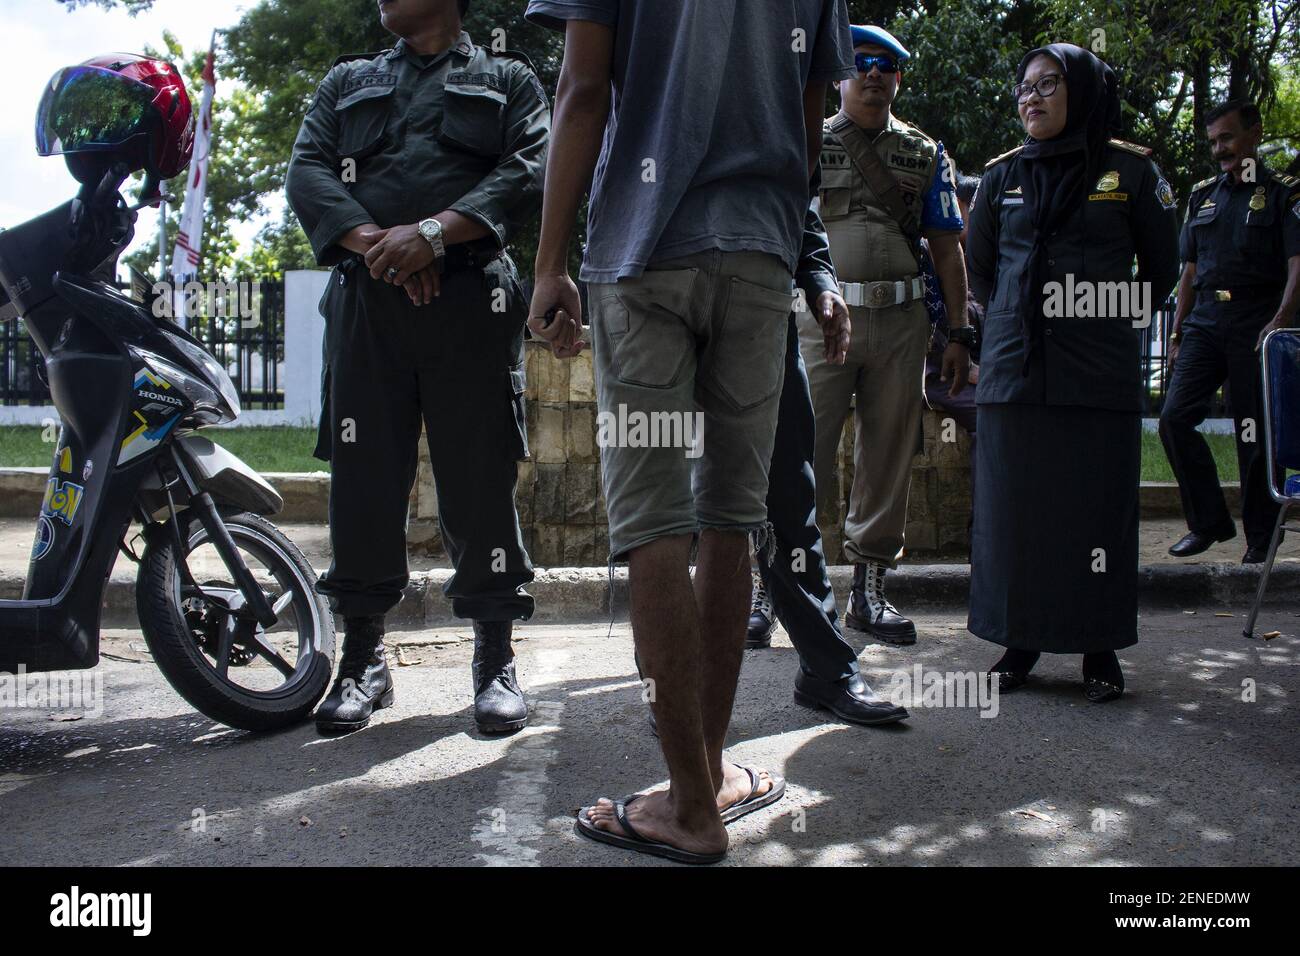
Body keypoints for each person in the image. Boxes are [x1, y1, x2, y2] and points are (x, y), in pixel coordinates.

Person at [524, 0, 855, 864]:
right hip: (758, 253)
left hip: (644, 249)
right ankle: (703, 775)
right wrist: (793, 247)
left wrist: (550, 263)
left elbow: (584, 87)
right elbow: (808, 111)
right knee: (731, 517)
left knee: (654, 525)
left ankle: (695, 810)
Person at [285, 0, 550, 735]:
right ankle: (364, 660)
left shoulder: (507, 78)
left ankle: (494, 658)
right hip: (368, 304)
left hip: (472, 300)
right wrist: (385, 246)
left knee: (478, 479)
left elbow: (531, 166)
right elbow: (307, 171)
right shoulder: (346, 82)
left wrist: (434, 235)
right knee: (364, 478)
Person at [965, 43, 1180, 702]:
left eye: (1049, 84)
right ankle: (1019, 639)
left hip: (1097, 373)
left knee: (1094, 513)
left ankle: (1099, 647)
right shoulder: (1002, 178)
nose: (1031, 97)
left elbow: (1162, 272)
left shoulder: (1131, 171)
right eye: (1024, 86)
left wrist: (1090, 310)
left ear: (1082, 90)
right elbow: (983, 268)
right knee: (1017, 513)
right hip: (1015, 371)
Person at [801, 24, 972, 647]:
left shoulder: (925, 153)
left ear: (899, 78)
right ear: (842, 73)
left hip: (901, 323)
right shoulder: (808, 142)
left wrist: (959, 331)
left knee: (888, 457)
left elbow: (948, 248)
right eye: (862, 63)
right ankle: (773, 590)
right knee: (795, 455)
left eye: (887, 66)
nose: (874, 74)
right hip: (817, 323)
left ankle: (869, 594)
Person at [743, 162, 910, 727]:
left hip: (764, 311)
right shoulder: (663, 79)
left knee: (790, 495)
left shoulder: (783, 92)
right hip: (668, 304)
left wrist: (820, 282)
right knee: (683, 507)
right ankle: (672, 686)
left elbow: (800, 204)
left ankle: (826, 667)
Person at [1159, 100, 1300, 564]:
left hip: (1256, 322)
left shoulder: (1284, 195)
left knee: (1252, 433)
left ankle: (1260, 538)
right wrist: (1178, 334)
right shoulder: (1203, 196)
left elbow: (1297, 265)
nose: (1220, 149)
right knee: (1175, 418)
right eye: (1214, 141)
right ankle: (1208, 522)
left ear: (1254, 134)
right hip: (1204, 321)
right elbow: (1189, 271)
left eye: (1228, 138)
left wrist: (1279, 322)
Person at [922, 173, 983, 490]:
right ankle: (983, 531)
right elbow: (937, 334)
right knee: (990, 422)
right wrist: (977, 373)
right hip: (946, 377)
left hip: (985, 375)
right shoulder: (936, 257)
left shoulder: (985, 262)